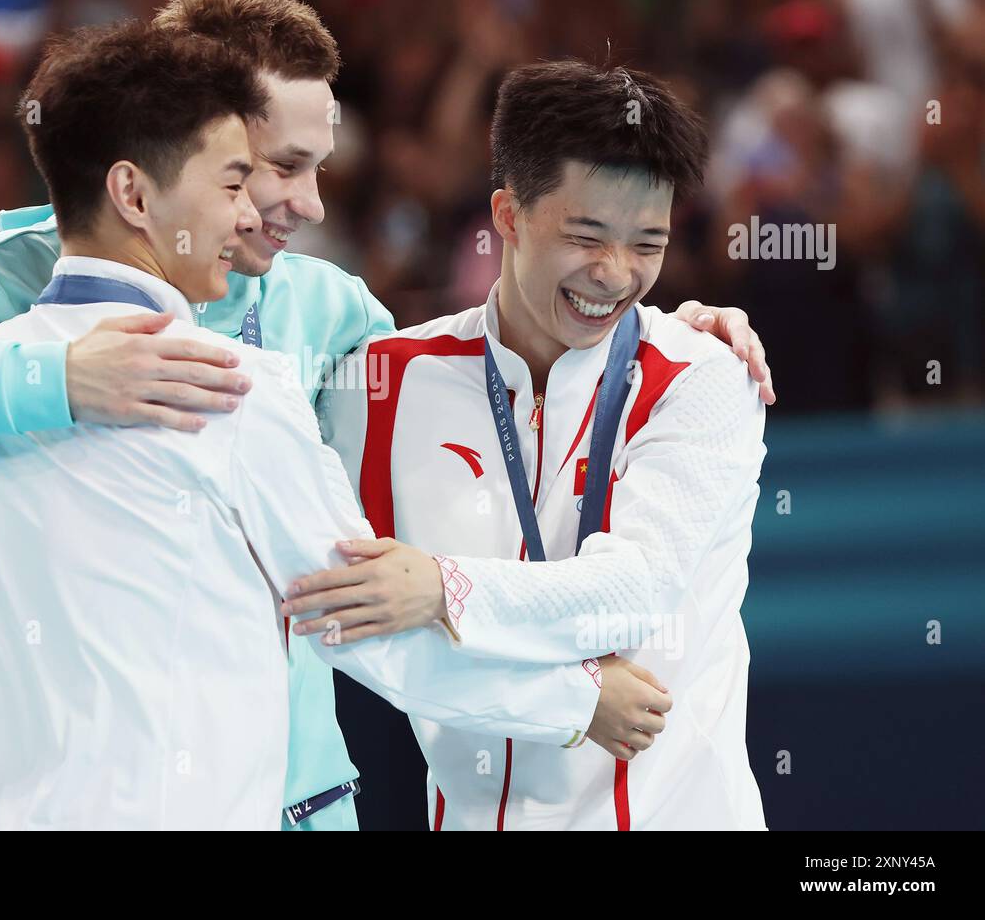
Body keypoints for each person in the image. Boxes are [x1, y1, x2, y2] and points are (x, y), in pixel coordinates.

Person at [0, 0, 773, 830]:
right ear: (188, 146)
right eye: (269, 169)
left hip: (265, 794)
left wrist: (666, 328)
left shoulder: (330, 307)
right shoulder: (11, 297)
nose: (303, 202)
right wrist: (59, 383)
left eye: (321, 163)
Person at [304, 59, 767, 830]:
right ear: (508, 215)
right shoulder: (380, 386)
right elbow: (331, 614)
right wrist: (566, 701)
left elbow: (633, 593)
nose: (614, 275)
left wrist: (440, 588)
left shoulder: (703, 377)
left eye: (646, 243)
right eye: (586, 235)